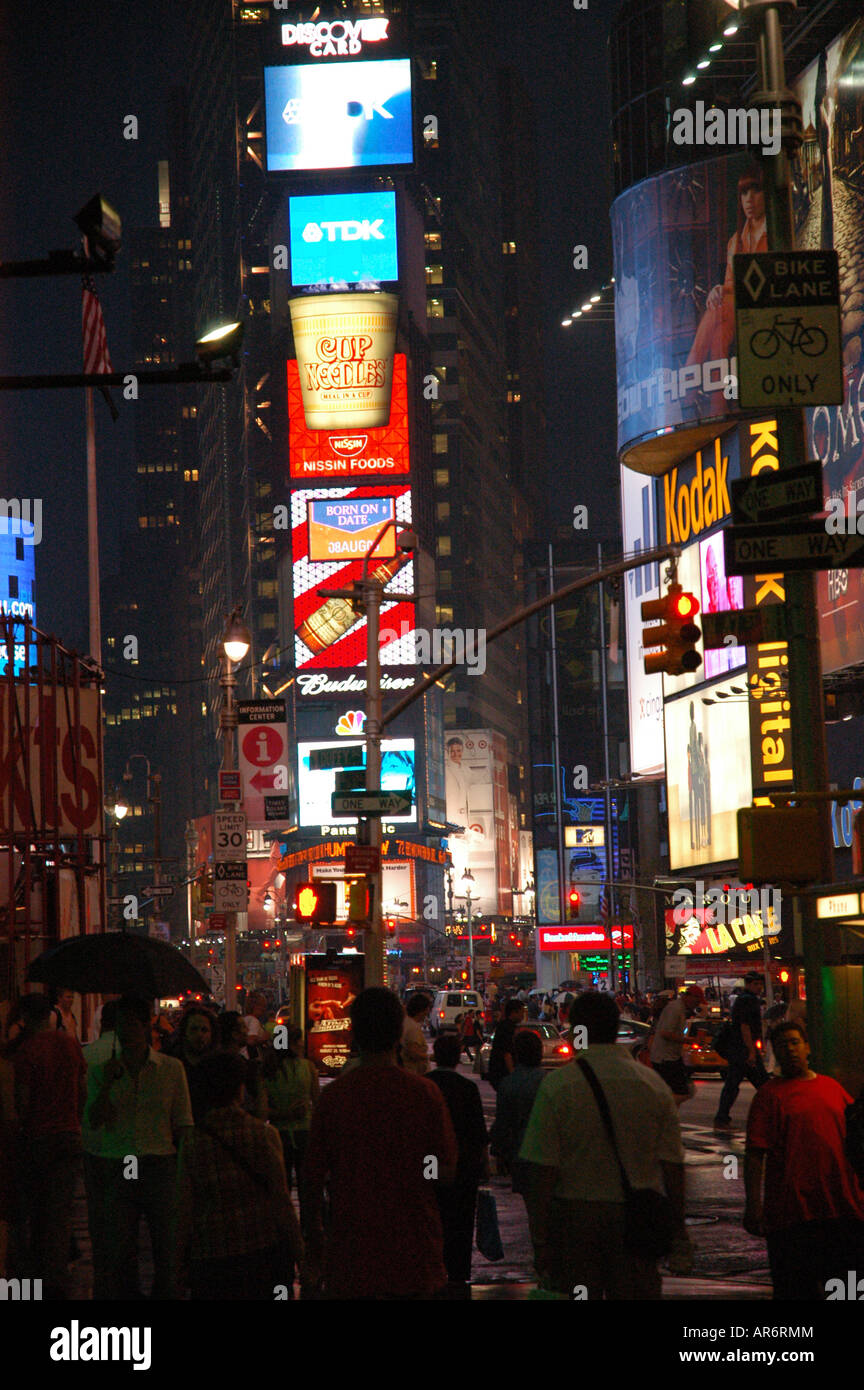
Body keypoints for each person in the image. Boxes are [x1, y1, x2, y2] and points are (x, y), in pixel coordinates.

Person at [520, 991, 688, 1300]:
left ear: (577, 1030)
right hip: (638, 1221)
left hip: (576, 1223)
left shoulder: (558, 1087)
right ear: (616, 1028)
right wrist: (679, 1233)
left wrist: (541, 1240)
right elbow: (673, 1166)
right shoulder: (653, 1085)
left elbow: (541, 1170)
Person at [303, 987, 458, 1300]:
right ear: (398, 1032)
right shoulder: (424, 1094)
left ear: (355, 1032)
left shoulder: (334, 1099)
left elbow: (311, 1181)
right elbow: (444, 1171)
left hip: (352, 1254)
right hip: (414, 1249)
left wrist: (315, 1243)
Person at [744, 1020, 864, 1300]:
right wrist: (754, 1206)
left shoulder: (832, 1088)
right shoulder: (769, 1097)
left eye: (795, 1042)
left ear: (807, 1047)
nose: (790, 1050)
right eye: (782, 1045)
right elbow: (754, 1154)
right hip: (792, 1216)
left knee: (848, 1292)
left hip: (842, 1210)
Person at [83, 993, 193, 1299]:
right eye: (120, 1025)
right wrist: (106, 1083)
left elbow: (183, 1123)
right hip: (116, 1161)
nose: (126, 1031)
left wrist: (183, 1174)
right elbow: (94, 1120)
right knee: (119, 1249)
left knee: (166, 1249)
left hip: (158, 1163)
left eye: (132, 1024)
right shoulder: (102, 1068)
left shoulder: (170, 1069)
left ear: (146, 1026)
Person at [176, 1052, 303, 1300]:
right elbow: (281, 1202)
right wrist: (301, 1255)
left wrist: (176, 1267)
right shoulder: (263, 1135)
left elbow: (184, 1208)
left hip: (212, 1257)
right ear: (240, 1089)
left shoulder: (192, 1142)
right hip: (261, 1253)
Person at [9, 994, 87, 1298]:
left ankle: (40, 1276)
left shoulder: (27, 1051)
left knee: (37, 1207)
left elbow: (24, 1101)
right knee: (61, 1207)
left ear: (27, 1017)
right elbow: (82, 1089)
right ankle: (56, 1273)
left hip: (38, 1137)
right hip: (68, 1134)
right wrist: (75, 1119)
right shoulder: (69, 1044)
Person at [685, 165, 767, 414]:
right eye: (743, 193)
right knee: (719, 336)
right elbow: (732, 283)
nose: (749, 199)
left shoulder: (775, 234)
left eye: (755, 191)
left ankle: (688, 389)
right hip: (736, 312)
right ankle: (718, 409)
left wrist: (725, 291)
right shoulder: (735, 240)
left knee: (718, 313)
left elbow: (762, 282)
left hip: (762, 307)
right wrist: (718, 290)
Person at [427, 1032, 488, 1298]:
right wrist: (483, 1164)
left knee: (432, 1217)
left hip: (429, 1165)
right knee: (462, 1221)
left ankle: (433, 1266)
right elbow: (477, 1133)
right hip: (464, 1166)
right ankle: (459, 1273)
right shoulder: (467, 1088)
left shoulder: (424, 1085)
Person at [261, 1025, 319, 1225]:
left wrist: (283, 1114)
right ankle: (309, 1229)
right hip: (305, 1132)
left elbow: (262, 1111)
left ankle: (284, 1230)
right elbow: (317, 1102)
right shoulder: (307, 1067)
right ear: (293, 1043)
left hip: (278, 1134)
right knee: (307, 1186)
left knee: (281, 1187)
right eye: (298, 1040)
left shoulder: (267, 1070)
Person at [490, 1028, 545, 1199]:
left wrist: (498, 1151)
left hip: (518, 1153)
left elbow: (503, 1121)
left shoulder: (508, 1084)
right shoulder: (548, 1082)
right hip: (544, 1153)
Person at [713, 973, 769, 1129]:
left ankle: (722, 1116)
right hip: (743, 1050)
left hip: (739, 1050)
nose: (759, 987)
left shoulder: (742, 999)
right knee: (763, 1085)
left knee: (733, 1084)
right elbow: (745, 1027)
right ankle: (770, 1116)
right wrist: (751, 1052)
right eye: (756, 984)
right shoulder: (748, 1001)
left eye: (760, 984)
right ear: (748, 984)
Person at [649, 986, 705, 1106]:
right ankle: (664, 1110)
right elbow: (665, 1033)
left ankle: (667, 1114)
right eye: (696, 1001)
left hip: (670, 1057)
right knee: (682, 1092)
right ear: (689, 997)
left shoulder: (678, 1009)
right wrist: (689, 1040)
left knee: (677, 1091)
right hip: (666, 1058)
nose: (697, 1005)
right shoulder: (675, 1009)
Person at [170, 1006, 217, 1124]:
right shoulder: (172, 1063)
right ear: (184, 1032)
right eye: (194, 1029)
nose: (199, 1035)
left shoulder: (218, 1064)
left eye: (204, 1030)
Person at [219, 1011, 267, 1119]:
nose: (247, 1031)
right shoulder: (242, 1065)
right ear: (234, 1034)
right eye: (243, 1027)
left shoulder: (212, 1062)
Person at [486, 998, 526, 1091]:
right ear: (514, 1012)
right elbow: (507, 1052)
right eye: (522, 1012)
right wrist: (512, 1073)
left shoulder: (503, 1025)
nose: (523, 1015)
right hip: (502, 1072)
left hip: (498, 1071)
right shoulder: (508, 1028)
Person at [401, 990, 431, 1076]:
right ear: (422, 1010)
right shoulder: (413, 1028)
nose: (428, 1012)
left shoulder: (406, 1023)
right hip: (413, 1073)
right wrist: (429, 1057)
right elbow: (413, 1053)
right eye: (427, 1009)